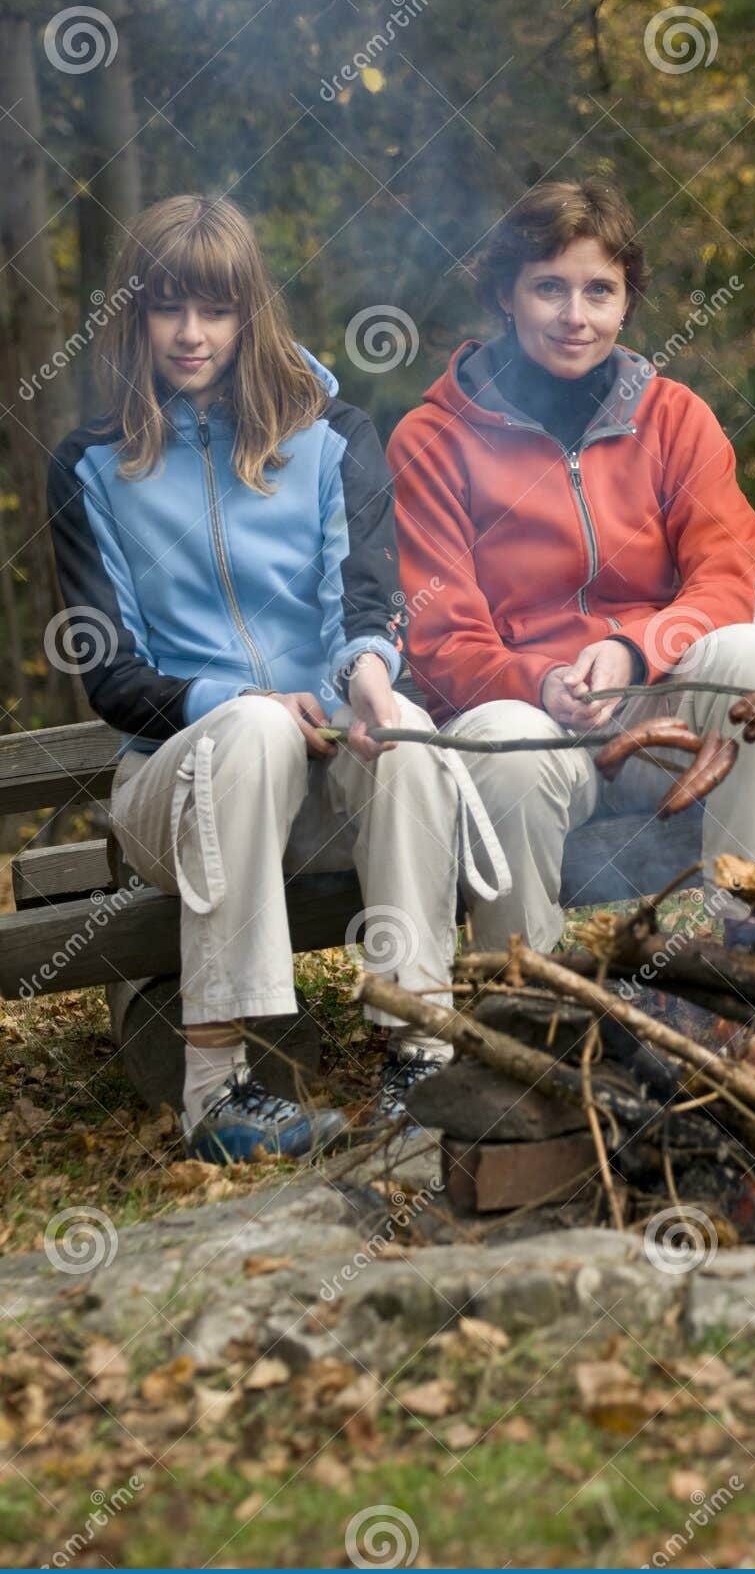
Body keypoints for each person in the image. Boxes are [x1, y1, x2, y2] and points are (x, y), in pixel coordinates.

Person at [47, 195, 508, 1161]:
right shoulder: (90, 466)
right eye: (165, 307)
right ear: (132, 314)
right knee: (253, 734)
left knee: (413, 745)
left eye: (213, 310)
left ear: (249, 314)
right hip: (173, 788)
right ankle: (217, 1089)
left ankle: (419, 1055)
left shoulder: (333, 435)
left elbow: (368, 603)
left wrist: (374, 682)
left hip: (326, 781)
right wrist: (240, 701)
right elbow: (113, 678)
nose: (189, 333)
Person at [387, 178, 755, 954]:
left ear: (627, 302)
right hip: (531, 728)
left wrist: (634, 648)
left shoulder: (672, 416)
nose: (574, 316)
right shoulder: (433, 438)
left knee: (754, 657)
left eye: (599, 290)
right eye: (548, 288)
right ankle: (523, 1001)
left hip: (662, 721)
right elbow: (441, 636)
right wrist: (540, 682)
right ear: (504, 295)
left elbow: (725, 574)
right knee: (506, 745)